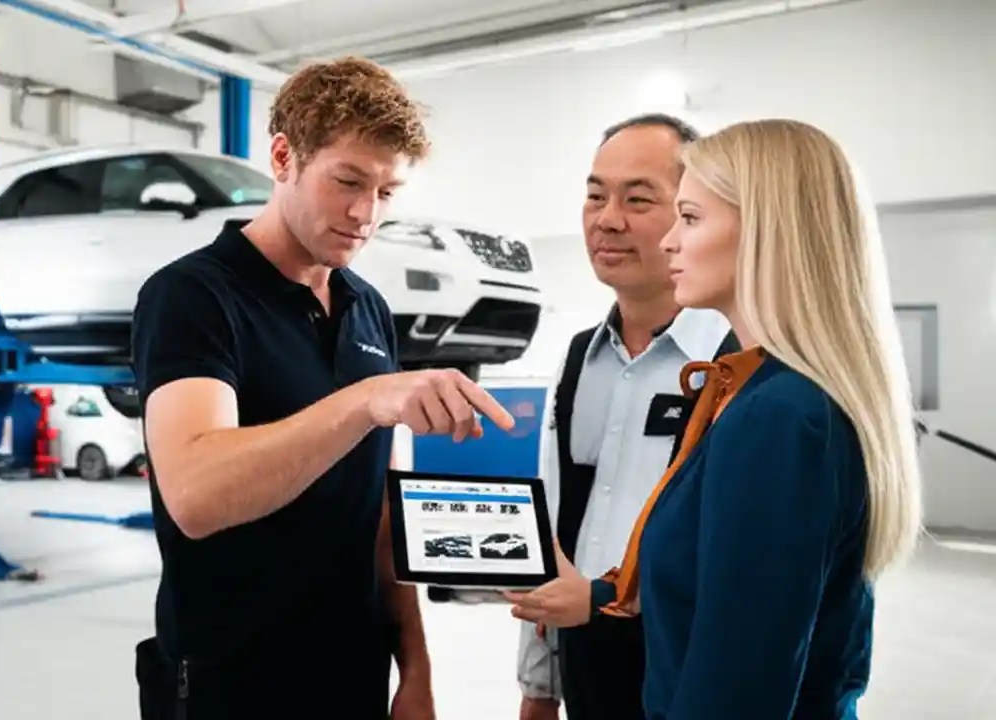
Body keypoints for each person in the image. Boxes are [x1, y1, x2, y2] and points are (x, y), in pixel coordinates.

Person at [130, 56, 516, 720]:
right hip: (230, 682)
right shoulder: (194, 296)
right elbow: (195, 494)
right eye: (348, 181)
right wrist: (364, 402)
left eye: (387, 192)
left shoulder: (367, 309)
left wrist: (415, 669)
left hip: (351, 674)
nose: (366, 214)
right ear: (284, 158)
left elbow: (383, 516)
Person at [506, 118, 923, 718]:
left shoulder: (776, 416)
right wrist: (595, 602)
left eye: (690, 218)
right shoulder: (762, 392)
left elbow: (736, 687)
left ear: (766, 234)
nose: (671, 240)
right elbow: (725, 590)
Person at [514, 114, 739, 720]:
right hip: (587, 671)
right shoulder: (578, 357)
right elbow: (558, 518)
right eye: (594, 196)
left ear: (692, 213)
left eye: (639, 199)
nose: (607, 219)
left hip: (691, 676)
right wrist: (539, 687)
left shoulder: (735, 369)